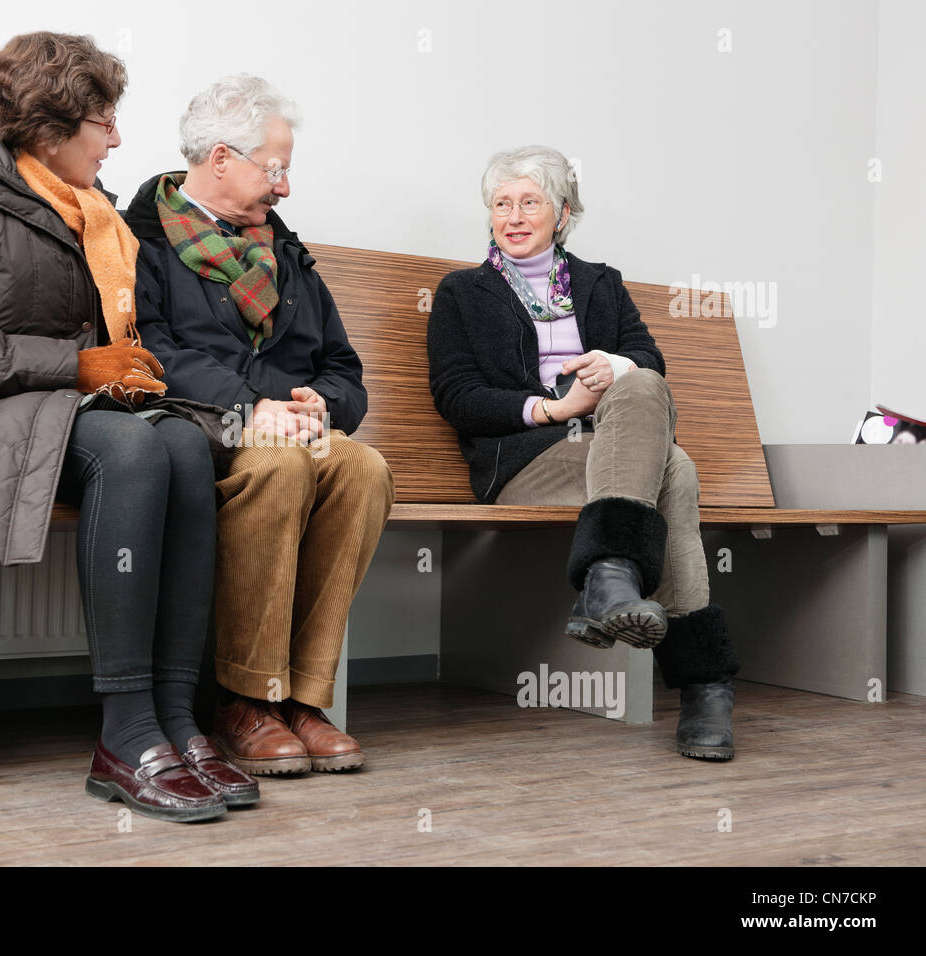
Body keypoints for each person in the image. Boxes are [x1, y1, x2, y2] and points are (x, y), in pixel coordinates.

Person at [0, 32, 257, 821]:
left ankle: (177, 716)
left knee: (180, 439)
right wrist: (80, 366)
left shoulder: (92, 216)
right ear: (49, 122)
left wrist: (114, 374)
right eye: (103, 121)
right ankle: (125, 730)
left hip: (44, 411)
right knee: (131, 447)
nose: (118, 139)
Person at [427, 145, 738, 759]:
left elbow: (650, 361)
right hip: (524, 457)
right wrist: (554, 409)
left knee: (643, 383)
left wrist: (613, 368)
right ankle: (705, 685)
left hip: (613, 444)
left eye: (530, 202)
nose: (513, 216)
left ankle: (609, 579)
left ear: (562, 213)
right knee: (677, 474)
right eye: (501, 204)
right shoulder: (462, 292)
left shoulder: (602, 284)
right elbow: (456, 396)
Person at [125, 75, 395, 775]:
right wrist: (252, 410)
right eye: (275, 169)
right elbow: (150, 351)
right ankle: (246, 698)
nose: (283, 188)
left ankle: (301, 700)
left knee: (362, 467)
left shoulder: (289, 255)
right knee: (278, 463)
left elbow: (343, 366)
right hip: (198, 429)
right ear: (221, 158)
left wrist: (322, 407)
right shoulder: (141, 241)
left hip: (287, 430)